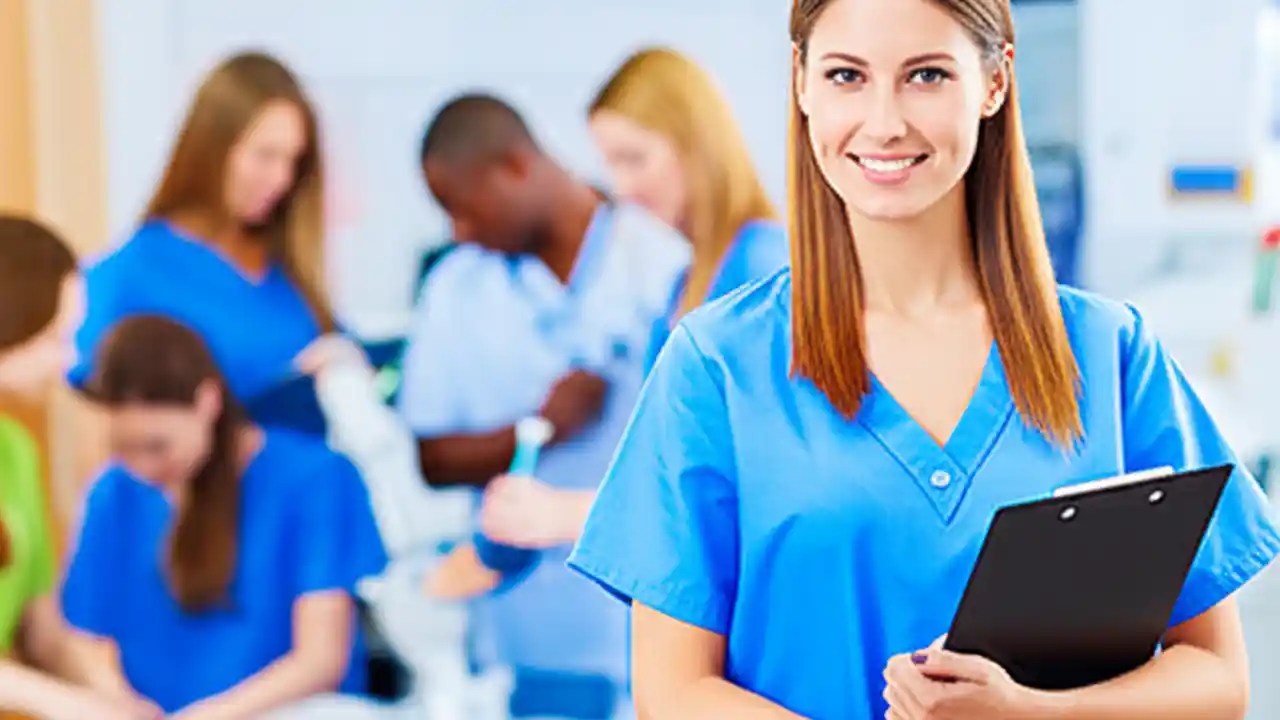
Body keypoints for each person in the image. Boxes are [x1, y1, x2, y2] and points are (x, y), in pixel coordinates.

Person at [567, 0, 1280, 718]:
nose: (884, 122)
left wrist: (1030, 714)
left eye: (927, 75)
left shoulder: (1110, 352)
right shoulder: (716, 367)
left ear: (995, 82)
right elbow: (673, 691)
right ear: (802, 82)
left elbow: (1218, 679)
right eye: (847, 75)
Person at [399, 94, 687, 718]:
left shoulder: (663, 262)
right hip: (514, 636)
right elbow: (432, 458)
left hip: (643, 627)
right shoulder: (457, 287)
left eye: (463, 207)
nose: (459, 231)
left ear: (515, 167)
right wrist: (542, 429)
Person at [62, 315, 388, 717]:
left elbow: (321, 658)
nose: (142, 468)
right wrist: (118, 700)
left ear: (208, 401)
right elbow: (86, 636)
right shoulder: (114, 492)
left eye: (157, 446)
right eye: (123, 448)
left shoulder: (314, 479)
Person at [70, 51, 349, 440]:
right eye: (265, 156)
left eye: (293, 161)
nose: (281, 179)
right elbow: (82, 391)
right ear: (214, 149)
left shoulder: (286, 272)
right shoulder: (130, 273)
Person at [0, 216, 160, 719]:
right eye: (55, 338)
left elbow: (42, 631)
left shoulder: (16, 452)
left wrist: (110, 694)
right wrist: (69, 705)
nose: (67, 360)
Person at [588, 46, 788, 370]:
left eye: (634, 159)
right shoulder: (683, 284)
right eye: (612, 165)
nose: (622, 189)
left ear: (694, 145)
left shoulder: (765, 267)